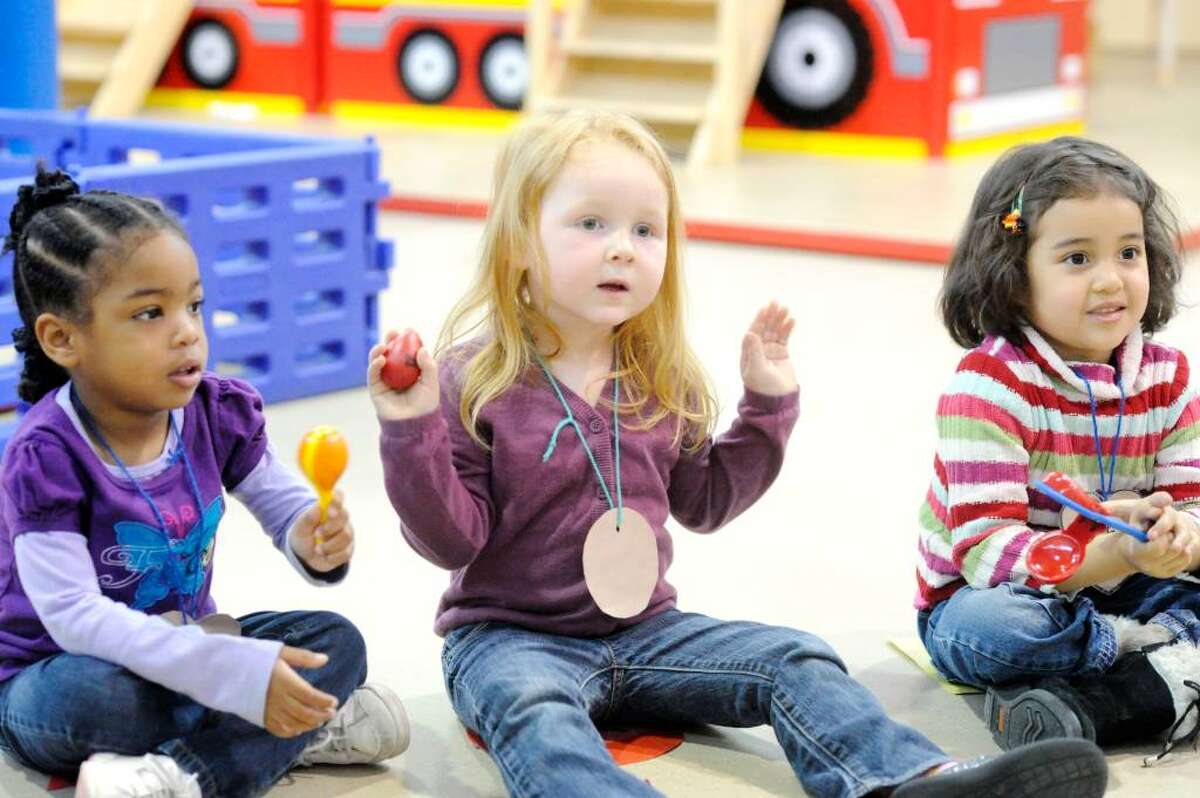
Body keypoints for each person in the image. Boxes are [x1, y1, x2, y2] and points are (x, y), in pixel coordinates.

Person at [372, 110, 1107, 798]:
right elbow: (450, 539)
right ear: (520, 245)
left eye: (645, 229)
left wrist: (765, 407)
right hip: (508, 639)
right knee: (533, 711)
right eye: (590, 224)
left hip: (646, 631)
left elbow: (705, 501)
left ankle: (908, 778)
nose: (622, 246)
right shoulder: (477, 377)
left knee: (796, 655)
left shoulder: (659, 375)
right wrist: (411, 430)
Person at [0, 168, 408, 798]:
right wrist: (229, 673)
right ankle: (287, 732)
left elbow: (284, 504)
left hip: (188, 646)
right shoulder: (45, 454)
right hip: (54, 673)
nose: (187, 330)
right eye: (149, 313)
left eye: (193, 305)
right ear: (63, 339)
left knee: (334, 643)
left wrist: (314, 537)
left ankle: (180, 771)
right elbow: (77, 621)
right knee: (103, 702)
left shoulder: (216, 411)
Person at [917, 136, 1200, 763]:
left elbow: (1194, 504)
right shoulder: (986, 388)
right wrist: (1110, 557)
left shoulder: (1168, 377)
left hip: (1129, 589)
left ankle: (1099, 690)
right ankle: (1155, 663)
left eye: (1129, 252)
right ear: (1013, 277)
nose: (1111, 279)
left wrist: (1180, 535)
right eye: (1077, 258)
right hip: (1002, 599)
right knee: (997, 632)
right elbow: (986, 550)